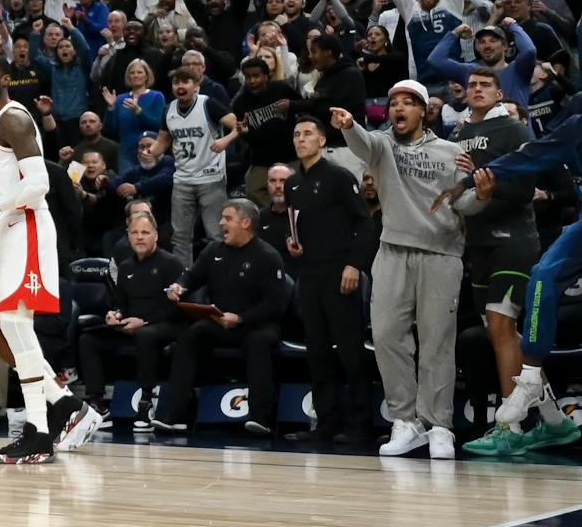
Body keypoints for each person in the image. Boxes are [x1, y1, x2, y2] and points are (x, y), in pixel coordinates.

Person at [431, 98, 582, 455]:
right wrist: (466, 180)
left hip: (514, 239)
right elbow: (525, 158)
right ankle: (531, 381)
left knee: (503, 322)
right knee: (542, 279)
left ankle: (538, 415)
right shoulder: (575, 124)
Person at [0, 54, 101, 464]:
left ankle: (38, 431)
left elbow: (40, 183)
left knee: (15, 324)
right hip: (1, 230)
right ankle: (63, 404)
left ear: (6, 79)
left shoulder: (14, 118)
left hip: (25, 228)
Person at [330, 88, 461, 460]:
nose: (398, 108)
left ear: (423, 111)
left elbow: (466, 203)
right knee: (386, 335)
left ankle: (439, 425)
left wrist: (480, 193)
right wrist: (349, 125)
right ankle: (406, 421)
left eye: (407, 103)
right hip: (391, 251)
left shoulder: (451, 153)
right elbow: (363, 143)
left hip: (441, 253)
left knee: (436, 341)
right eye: (393, 104)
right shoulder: (383, 145)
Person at [447, 69, 539, 457]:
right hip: (478, 243)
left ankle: (510, 426)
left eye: (485, 85)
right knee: (501, 332)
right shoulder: (457, 136)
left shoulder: (514, 131)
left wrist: (489, 185)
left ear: (500, 93)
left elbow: (526, 187)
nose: (477, 90)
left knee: (502, 325)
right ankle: (551, 418)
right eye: (472, 86)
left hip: (513, 239)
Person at [151, 201, 291, 434]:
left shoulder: (268, 256)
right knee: (189, 337)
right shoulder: (214, 250)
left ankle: (261, 418)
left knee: (259, 343)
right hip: (219, 322)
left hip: (255, 325)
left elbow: (276, 305)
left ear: (246, 223)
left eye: (227, 218)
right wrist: (179, 286)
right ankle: (176, 415)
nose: (220, 223)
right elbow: (192, 276)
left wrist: (241, 318)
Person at [284, 116, 374, 443]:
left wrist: (354, 265)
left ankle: (361, 424)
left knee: (350, 351)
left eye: (308, 133)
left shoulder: (339, 176)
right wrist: (291, 243)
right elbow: (298, 226)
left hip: (340, 273)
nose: (301, 139)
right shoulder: (292, 183)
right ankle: (327, 422)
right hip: (308, 274)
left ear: (322, 140)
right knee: (318, 352)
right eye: (296, 134)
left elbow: (365, 223)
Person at [73, 211, 184, 421]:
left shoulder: (171, 264)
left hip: (164, 325)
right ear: (128, 236)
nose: (139, 237)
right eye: (134, 232)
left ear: (156, 236)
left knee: (146, 335)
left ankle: (146, 400)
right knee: (88, 340)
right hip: (130, 325)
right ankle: (96, 402)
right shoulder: (125, 267)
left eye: (145, 232)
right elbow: (120, 303)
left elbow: (178, 309)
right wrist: (115, 314)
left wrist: (145, 322)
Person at [161, 67, 239, 267]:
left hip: (211, 178)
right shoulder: (168, 110)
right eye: (176, 82)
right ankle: (183, 280)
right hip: (182, 180)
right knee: (179, 237)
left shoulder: (209, 104)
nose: (180, 86)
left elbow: (239, 126)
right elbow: (163, 140)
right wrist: (151, 151)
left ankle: (220, 274)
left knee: (216, 233)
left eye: (185, 82)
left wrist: (225, 141)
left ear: (196, 86)